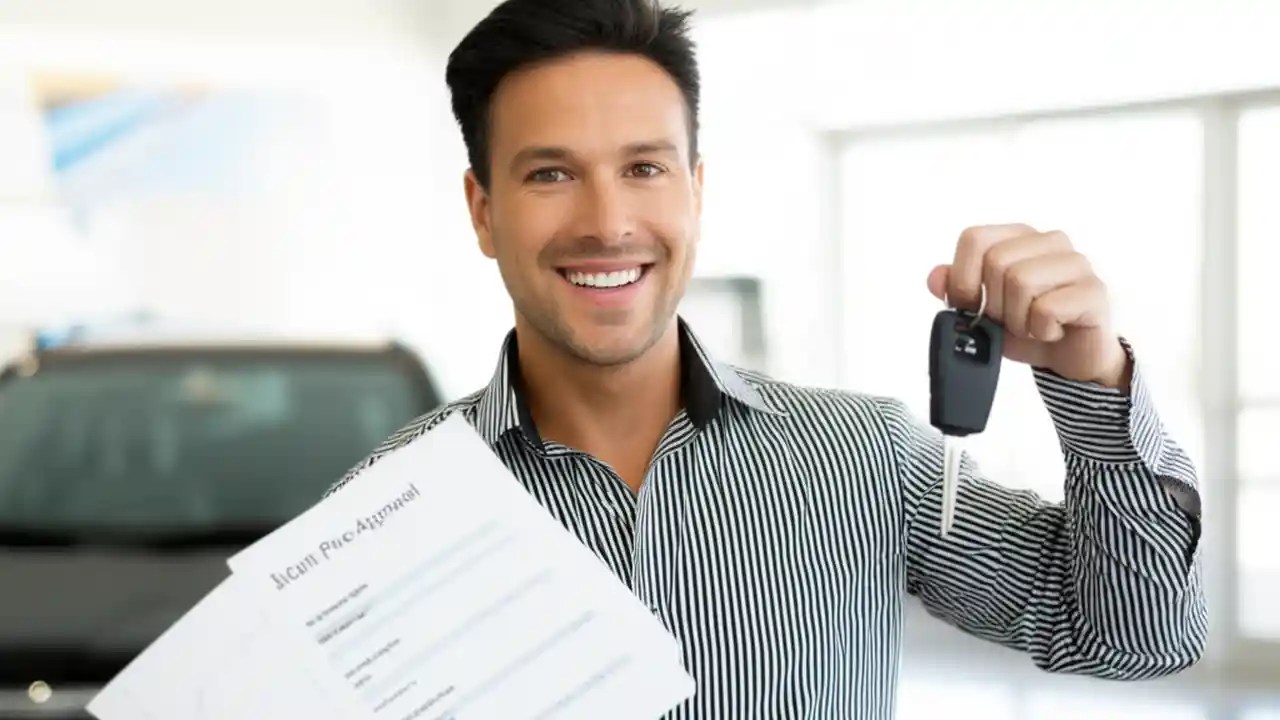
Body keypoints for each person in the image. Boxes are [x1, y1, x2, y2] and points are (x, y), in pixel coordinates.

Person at [326, 0, 1207, 716]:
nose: (606, 221)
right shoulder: (383, 511)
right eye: (550, 174)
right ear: (483, 211)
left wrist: (1093, 379)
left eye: (643, 168)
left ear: (696, 191)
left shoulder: (863, 454)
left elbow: (1135, 636)